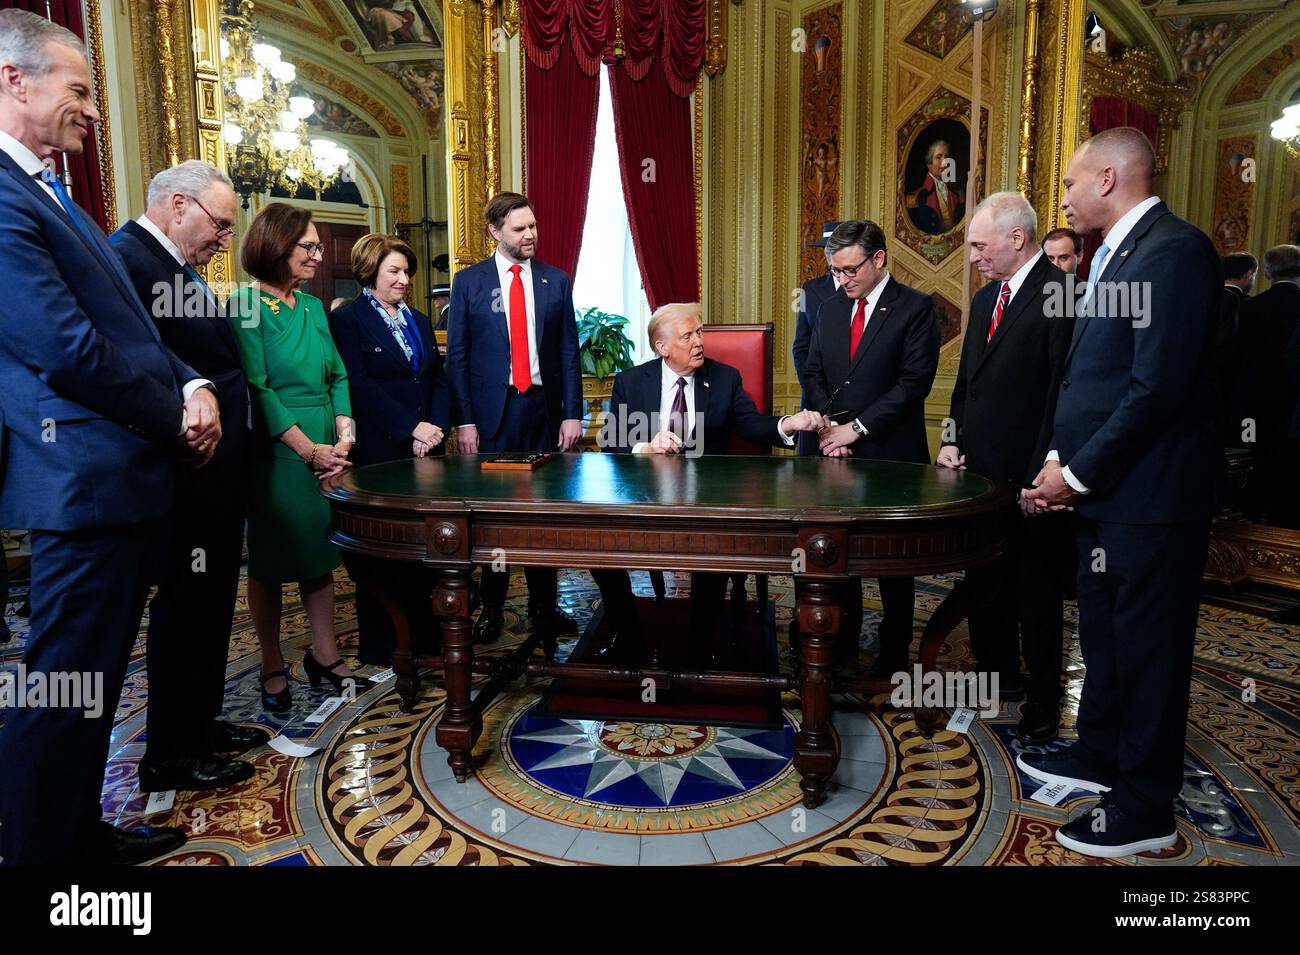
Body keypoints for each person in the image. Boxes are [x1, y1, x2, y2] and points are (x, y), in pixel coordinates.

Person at [0, 9, 221, 864]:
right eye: (79, 89)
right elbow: (66, 347)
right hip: (82, 482)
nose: (92, 110)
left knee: (88, 684)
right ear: (15, 80)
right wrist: (175, 413)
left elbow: (126, 327)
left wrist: (192, 379)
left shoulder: (54, 193)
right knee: (59, 685)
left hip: (118, 481)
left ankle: (71, 829)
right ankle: (38, 856)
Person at [1022, 127, 1220, 857]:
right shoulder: (1114, 254)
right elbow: (1090, 380)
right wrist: (1058, 457)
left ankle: (1144, 806)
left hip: (1152, 499)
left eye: (1071, 183)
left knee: (1148, 653)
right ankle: (1099, 754)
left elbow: (1156, 387)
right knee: (1104, 639)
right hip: (1107, 494)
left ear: (1108, 178)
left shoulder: (1175, 250)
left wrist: (1073, 476)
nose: (1065, 197)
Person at [110, 160, 265, 792]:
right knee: (185, 611)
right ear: (179, 205)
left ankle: (199, 724)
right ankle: (171, 753)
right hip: (185, 470)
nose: (226, 239)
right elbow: (135, 352)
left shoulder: (176, 267)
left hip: (215, 474)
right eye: (221, 225)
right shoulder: (128, 257)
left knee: (209, 607)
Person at [593, 303, 828, 663]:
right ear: (662, 346)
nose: (699, 341)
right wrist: (645, 445)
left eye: (699, 332)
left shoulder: (724, 378)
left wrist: (789, 425)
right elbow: (612, 439)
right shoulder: (632, 381)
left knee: (715, 549)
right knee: (598, 547)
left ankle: (700, 645)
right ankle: (628, 632)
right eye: (688, 336)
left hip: (707, 499)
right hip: (645, 497)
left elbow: (751, 425)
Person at [938, 193, 1074, 744]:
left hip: (1031, 481)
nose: (972, 257)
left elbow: (1061, 394)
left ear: (1016, 239)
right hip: (981, 478)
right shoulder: (990, 297)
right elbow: (967, 384)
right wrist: (951, 441)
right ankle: (997, 679)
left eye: (978, 244)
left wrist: (1040, 474)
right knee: (986, 582)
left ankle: (1042, 705)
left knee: (1037, 595)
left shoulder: (1062, 295)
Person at [228, 203, 357, 711]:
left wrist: (344, 437)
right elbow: (258, 389)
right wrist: (310, 450)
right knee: (271, 561)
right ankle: (271, 662)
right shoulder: (245, 304)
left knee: (320, 554)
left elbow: (339, 376)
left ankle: (323, 654)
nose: (318, 255)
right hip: (280, 451)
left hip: (329, 445)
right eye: (308, 246)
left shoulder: (311, 307)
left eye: (318, 246)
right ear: (277, 246)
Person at [803, 220, 942, 675]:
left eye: (848, 270)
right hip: (832, 452)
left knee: (892, 565)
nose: (841, 281)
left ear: (878, 259)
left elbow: (912, 384)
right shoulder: (827, 307)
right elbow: (814, 371)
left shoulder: (917, 308)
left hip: (890, 453)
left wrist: (855, 429)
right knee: (839, 555)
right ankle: (841, 646)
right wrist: (827, 429)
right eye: (835, 271)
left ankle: (893, 653)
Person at [445, 191, 583, 645]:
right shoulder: (469, 283)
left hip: (543, 411)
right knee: (493, 517)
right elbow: (458, 358)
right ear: (495, 231)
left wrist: (573, 415)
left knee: (544, 517)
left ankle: (547, 606)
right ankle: (493, 609)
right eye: (520, 229)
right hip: (491, 415)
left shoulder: (556, 281)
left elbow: (567, 352)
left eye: (534, 226)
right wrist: (464, 422)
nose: (531, 235)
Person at [330, 233, 450, 664]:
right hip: (382, 452)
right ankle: (384, 647)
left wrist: (433, 427)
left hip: (426, 450)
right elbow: (358, 385)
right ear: (371, 271)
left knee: (424, 550)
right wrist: (410, 428)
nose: (404, 280)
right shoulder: (349, 320)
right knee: (384, 551)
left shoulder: (418, 319)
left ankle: (424, 639)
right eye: (394, 271)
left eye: (406, 272)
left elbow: (436, 377)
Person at [1238, 245, 1300, 527]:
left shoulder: (1250, 307)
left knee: (1256, 464)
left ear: (1266, 272)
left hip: (1255, 403)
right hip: (1293, 405)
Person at [792, 221, 841, 456]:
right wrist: (814, 390)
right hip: (815, 395)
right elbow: (800, 347)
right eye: (828, 248)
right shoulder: (809, 290)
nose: (832, 253)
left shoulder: (864, 289)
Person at [906, 140, 965, 235]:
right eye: (938, 157)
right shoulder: (914, 198)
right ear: (929, 164)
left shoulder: (958, 193)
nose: (944, 162)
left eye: (946, 157)